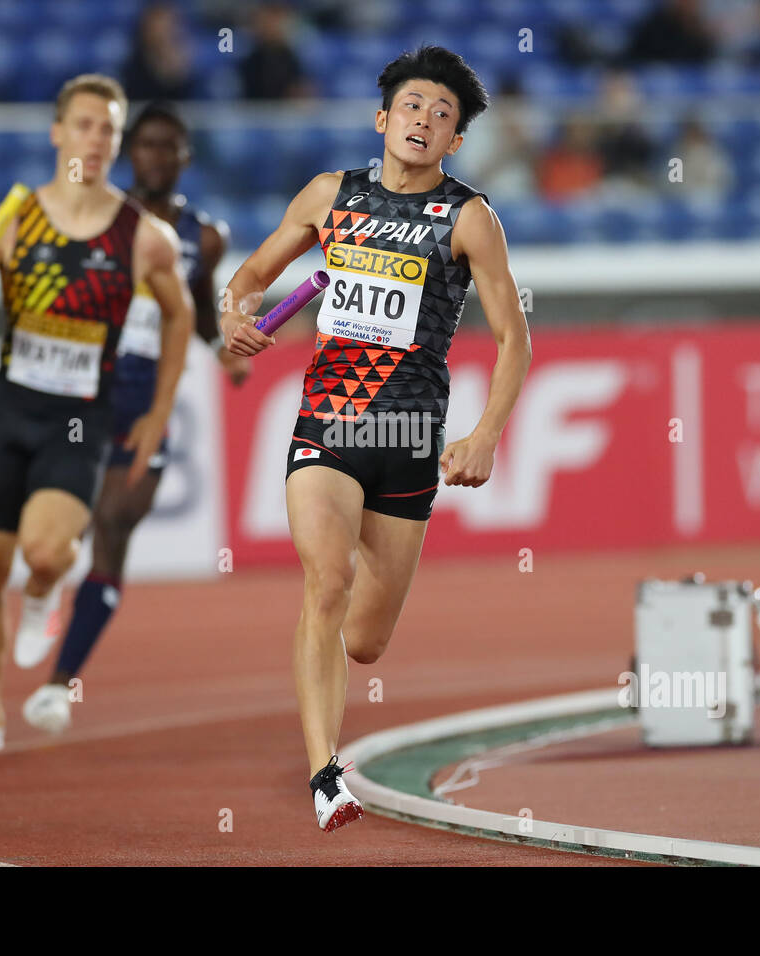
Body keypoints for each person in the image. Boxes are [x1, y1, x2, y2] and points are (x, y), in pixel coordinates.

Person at [220, 46, 531, 832]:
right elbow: (251, 277)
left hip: (408, 435)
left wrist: (486, 434)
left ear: (455, 141)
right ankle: (326, 771)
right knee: (324, 584)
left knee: (365, 641)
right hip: (327, 424)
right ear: (382, 117)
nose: (425, 119)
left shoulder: (469, 217)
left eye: (443, 115)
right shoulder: (331, 196)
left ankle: (358, 561)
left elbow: (514, 339)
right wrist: (234, 313)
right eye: (414, 105)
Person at [0, 74, 194, 773]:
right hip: (10, 408)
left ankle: (45, 591)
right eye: (84, 125)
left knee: (45, 553)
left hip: (80, 419)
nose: (97, 140)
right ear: (57, 133)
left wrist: (160, 412)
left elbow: (181, 312)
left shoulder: (144, 235)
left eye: (109, 128)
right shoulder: (12, 218)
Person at [20, 102, 250, 732]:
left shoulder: (205, 236)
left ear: (184, 157)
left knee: (115, 522)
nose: (154, 154)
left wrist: (223, 353)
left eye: (167, 145)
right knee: (58, 529)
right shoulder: (96, 217)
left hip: (146, 404)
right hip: (80, 394)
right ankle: (43, 587)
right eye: (144, 144)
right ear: (130, 153)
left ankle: (59, 684)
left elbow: (200, 313)